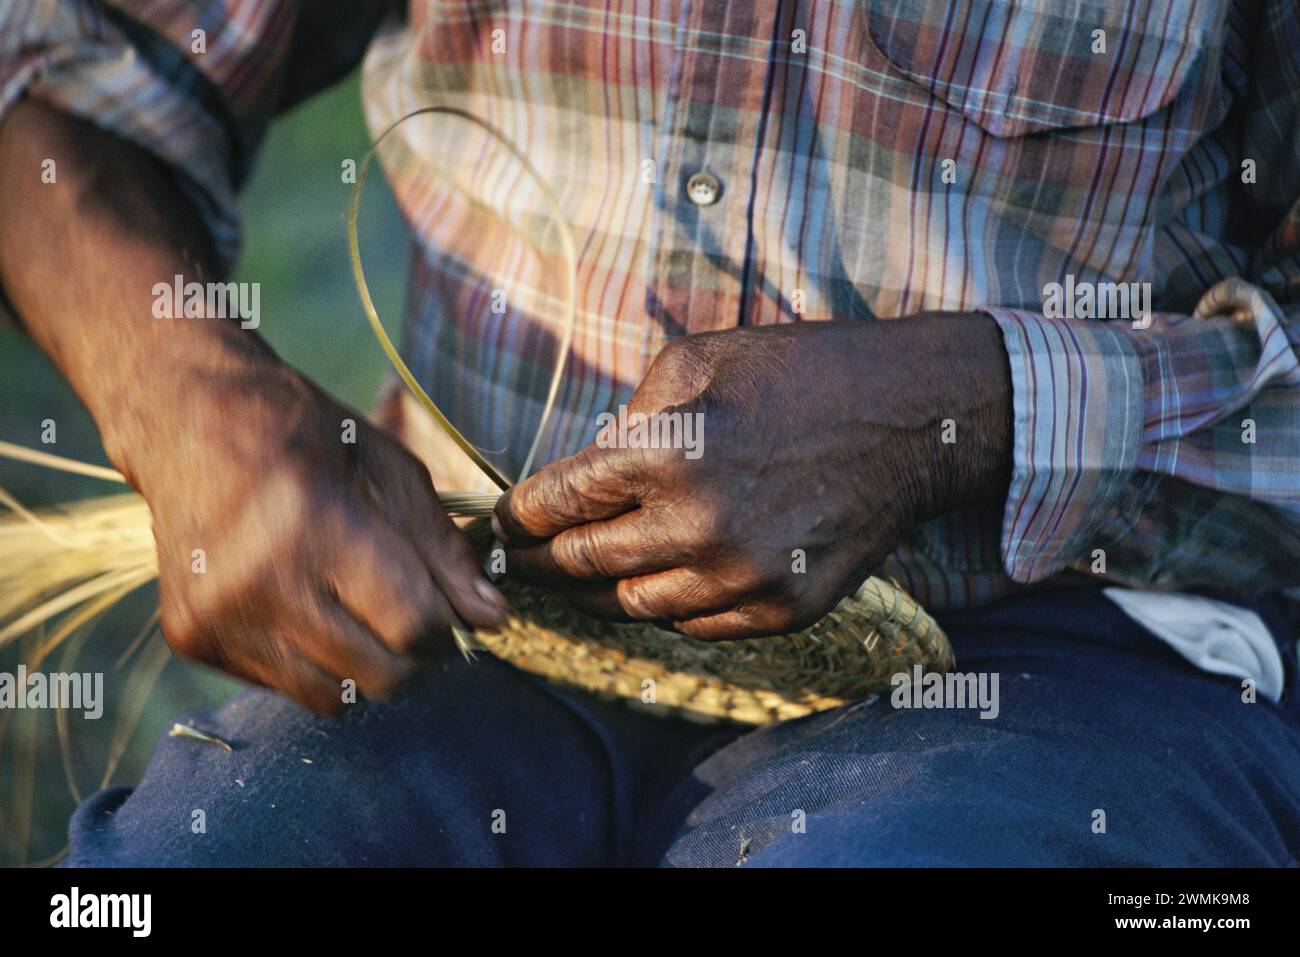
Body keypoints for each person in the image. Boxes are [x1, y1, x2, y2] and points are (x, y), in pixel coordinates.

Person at [1, 0, 1297, 866]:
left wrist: (965, 407)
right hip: (483, 613)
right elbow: (67, 85)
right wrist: (186, 395)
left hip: (1089, 643)